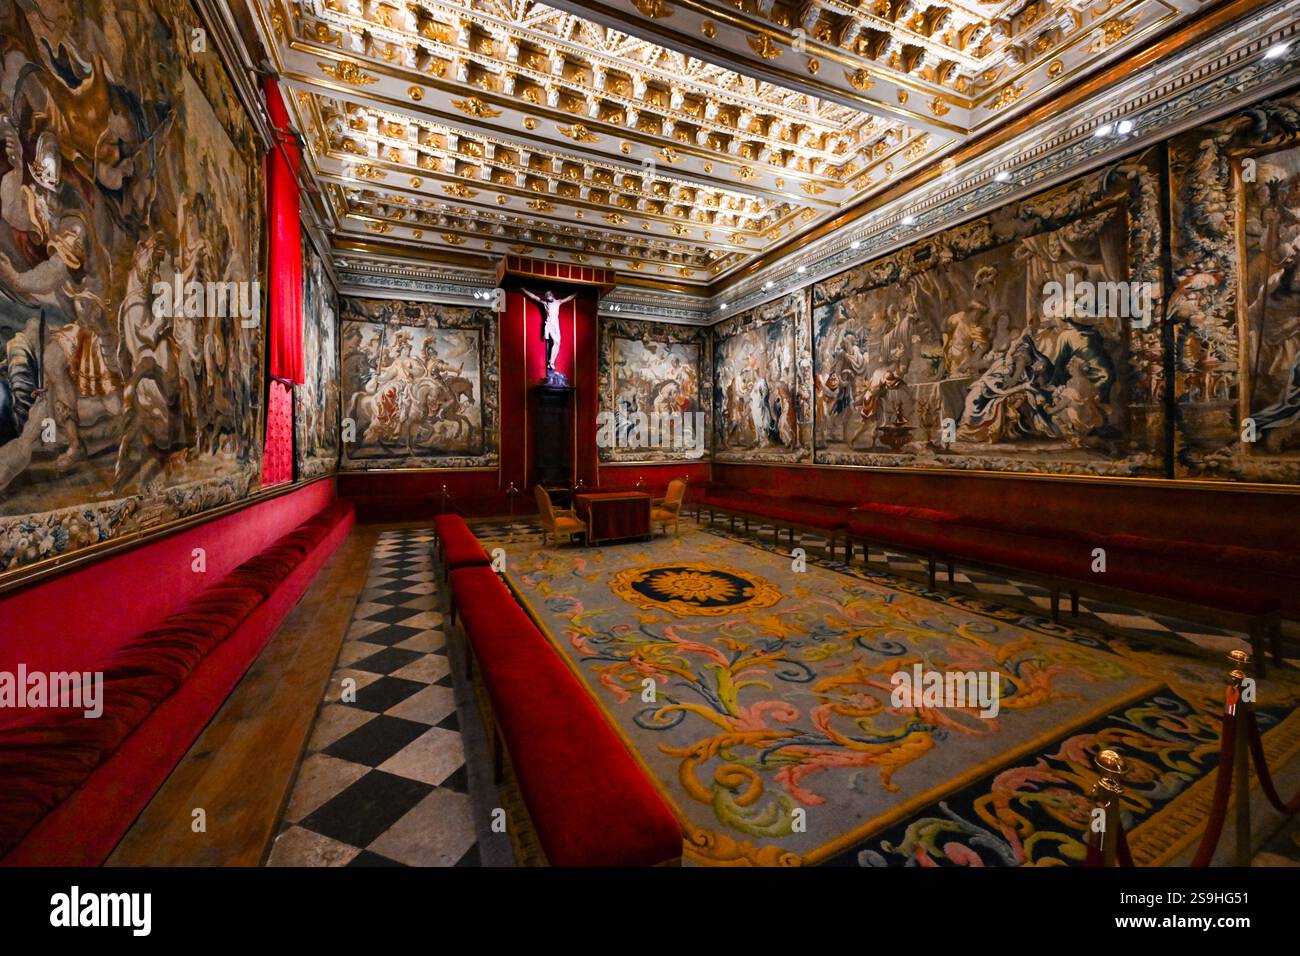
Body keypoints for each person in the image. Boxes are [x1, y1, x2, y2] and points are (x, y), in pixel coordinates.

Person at [522, 287, 576, 371]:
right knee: (556, 341)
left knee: (558, 343)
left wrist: (576, 293)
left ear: (552, 296)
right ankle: (550, 363)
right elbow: (533, 296)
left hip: (556, 324)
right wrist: (524, 290)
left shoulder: (558, 302)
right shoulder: (545, 303)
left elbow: (568, 298)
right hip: (549, 325)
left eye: (548, 297)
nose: (547, 299)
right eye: (546, 297)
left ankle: (551, 362)